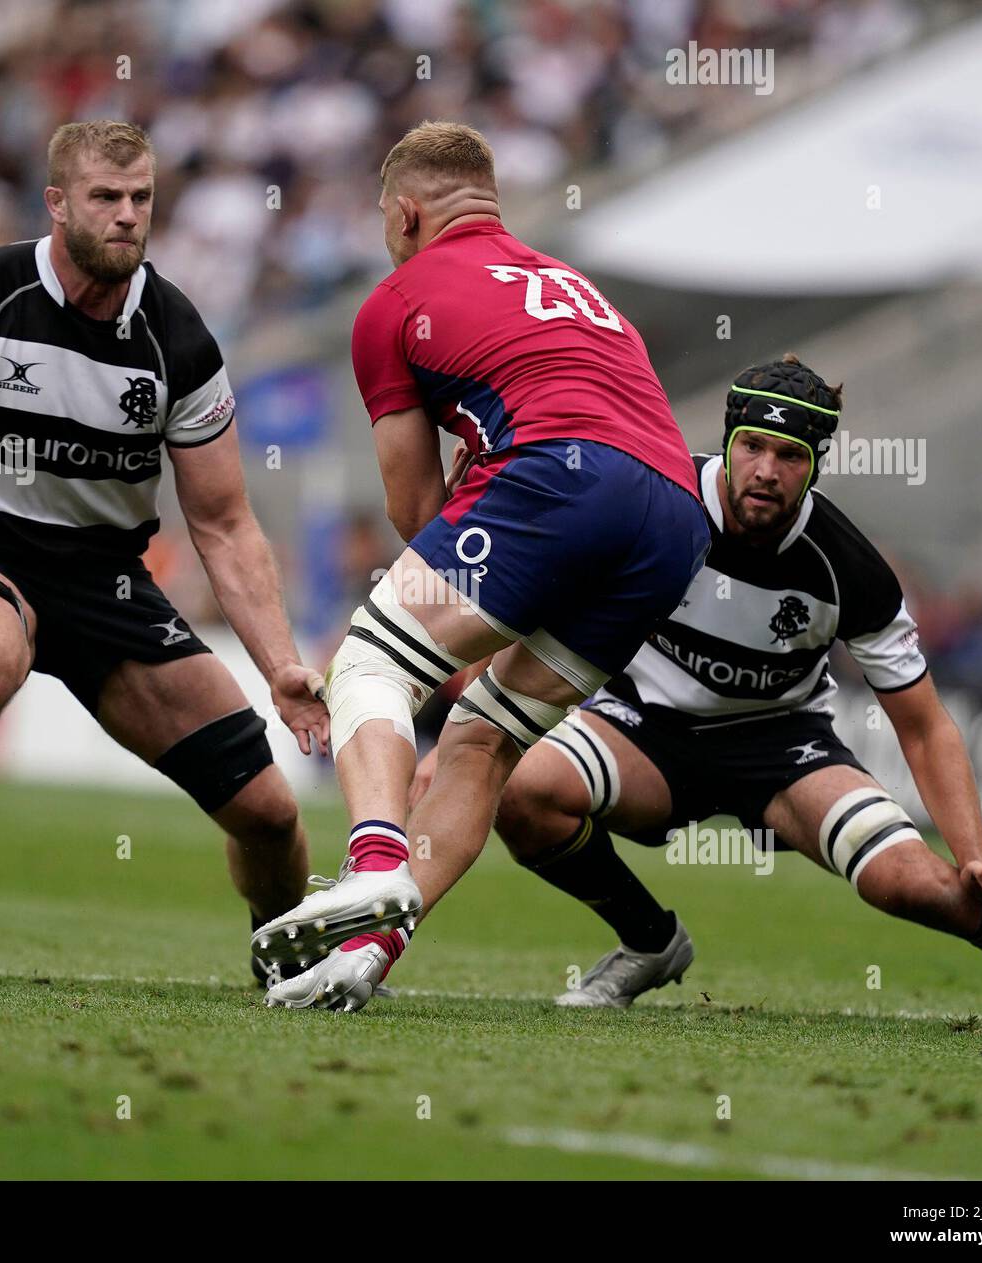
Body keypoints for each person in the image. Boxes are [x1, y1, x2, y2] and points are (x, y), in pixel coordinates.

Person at [0, 120, 328, 983]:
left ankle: (286, 956)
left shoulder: (181, 341)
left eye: (141, 199)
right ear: (58, 203)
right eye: (106, 197)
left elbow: (225, 524)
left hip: (107, 585)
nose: (127, 217)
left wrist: (280, 663)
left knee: (271, 813)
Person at [419, 355, 982, 1007]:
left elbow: (926, 727)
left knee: (909, 883)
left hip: (782, 748)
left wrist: (975, 853)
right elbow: (527, 583)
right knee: (519, 788)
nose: (765, 470)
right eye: (752, 446)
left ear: (815, 465)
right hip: (643, 728)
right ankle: (650, 941)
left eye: (789, 455)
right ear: (727, 444)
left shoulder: (851, 570)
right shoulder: (652, 503)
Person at [253, 121, 708, 1010]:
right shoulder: (571, 282)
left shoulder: (396, 298)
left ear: (409, 210)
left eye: (387, 218)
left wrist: (454, 624)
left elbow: (414, 507)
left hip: (561, 478)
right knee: (483, 744)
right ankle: (365, 958)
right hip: (675, 513)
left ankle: (376, 857)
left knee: (372, 660)